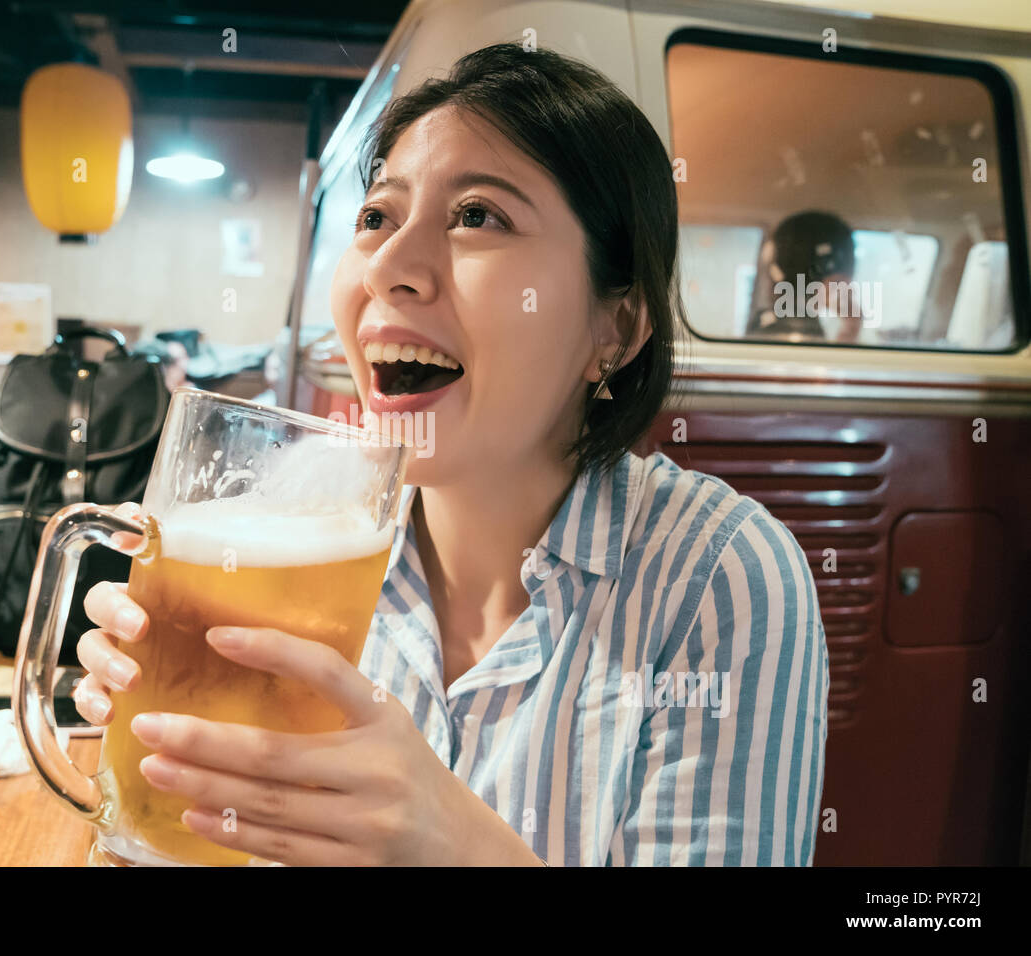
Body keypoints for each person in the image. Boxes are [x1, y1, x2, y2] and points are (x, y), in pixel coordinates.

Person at [72, 42, 829, 866]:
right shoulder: (300, 511)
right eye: (376, 217)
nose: (390, 267)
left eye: (478, 215)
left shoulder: (716, 575)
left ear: (614, 329)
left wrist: (450, 844)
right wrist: (162, 735)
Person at [746, 210, 862, 343]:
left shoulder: (769, 327)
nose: (849, 283)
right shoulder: (803, 333)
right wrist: (851, 329)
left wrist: (851, 328)